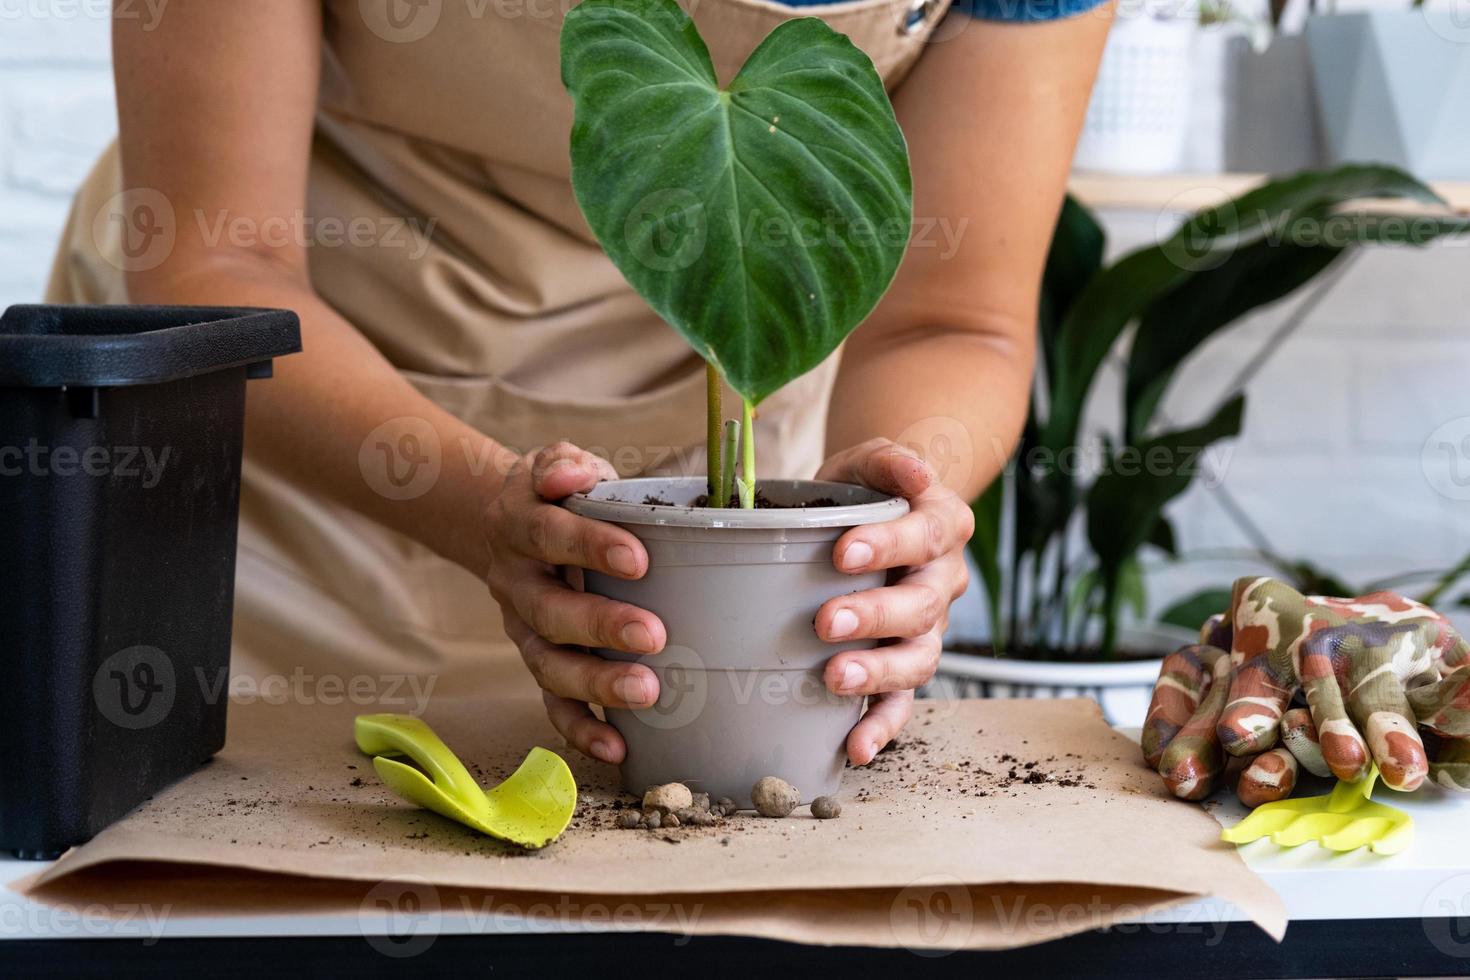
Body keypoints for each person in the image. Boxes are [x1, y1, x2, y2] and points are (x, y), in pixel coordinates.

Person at [49, 0, 1112, 766]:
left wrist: (895, 517)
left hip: (717, 439)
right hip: (280, 448)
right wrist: (484, 513)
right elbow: (217, 267)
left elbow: (952, 316)